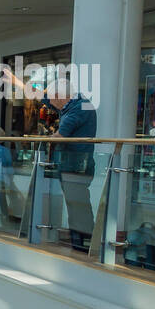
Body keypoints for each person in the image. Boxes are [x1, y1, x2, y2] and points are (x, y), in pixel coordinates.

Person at [47, 92, 97, 251]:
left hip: (75, 166)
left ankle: (82, 242)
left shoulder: (77, 108)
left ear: (59, 96)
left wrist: (52, 137)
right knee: (77, 203)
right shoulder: (73, 106)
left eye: (52, 100)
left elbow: (61, 135)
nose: (50, 104)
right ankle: (82, 240)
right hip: (77, 165)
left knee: (77, 204)